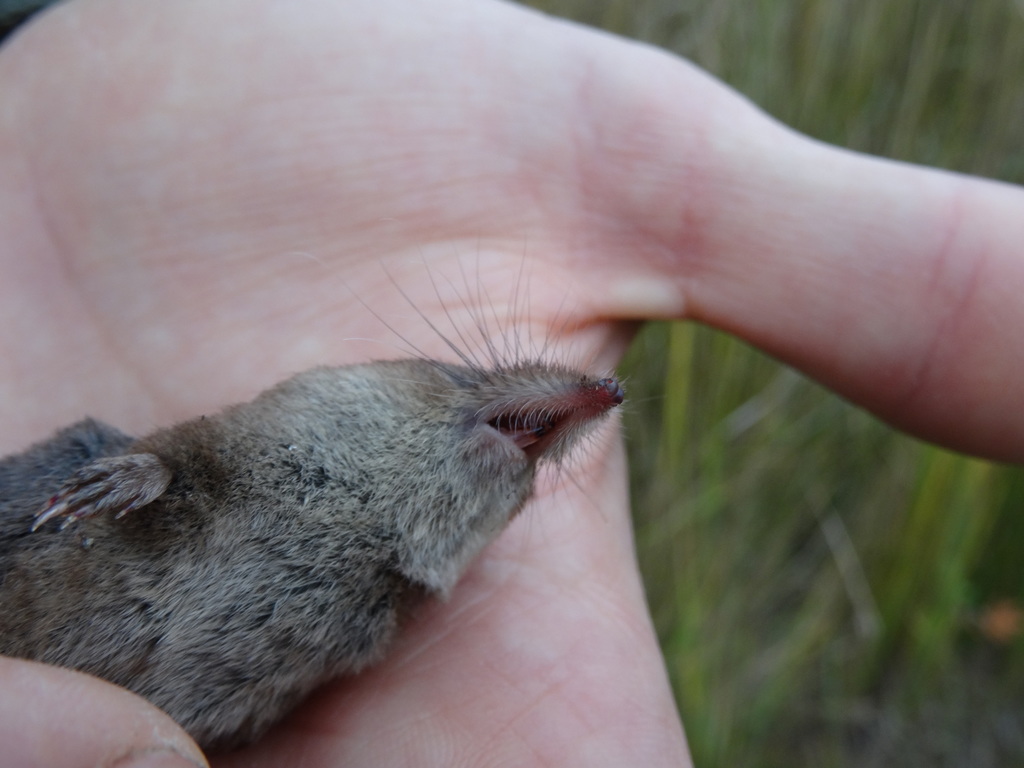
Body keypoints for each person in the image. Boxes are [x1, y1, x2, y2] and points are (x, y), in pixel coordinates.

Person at [1, 1, 1022, 766]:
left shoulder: (379, 612)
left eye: (530, 477)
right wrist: (147, 473)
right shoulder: (257, 450)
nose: (572, 419)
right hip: (57, 575)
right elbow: (208, 459)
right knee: (101, 455)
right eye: (455, 375)